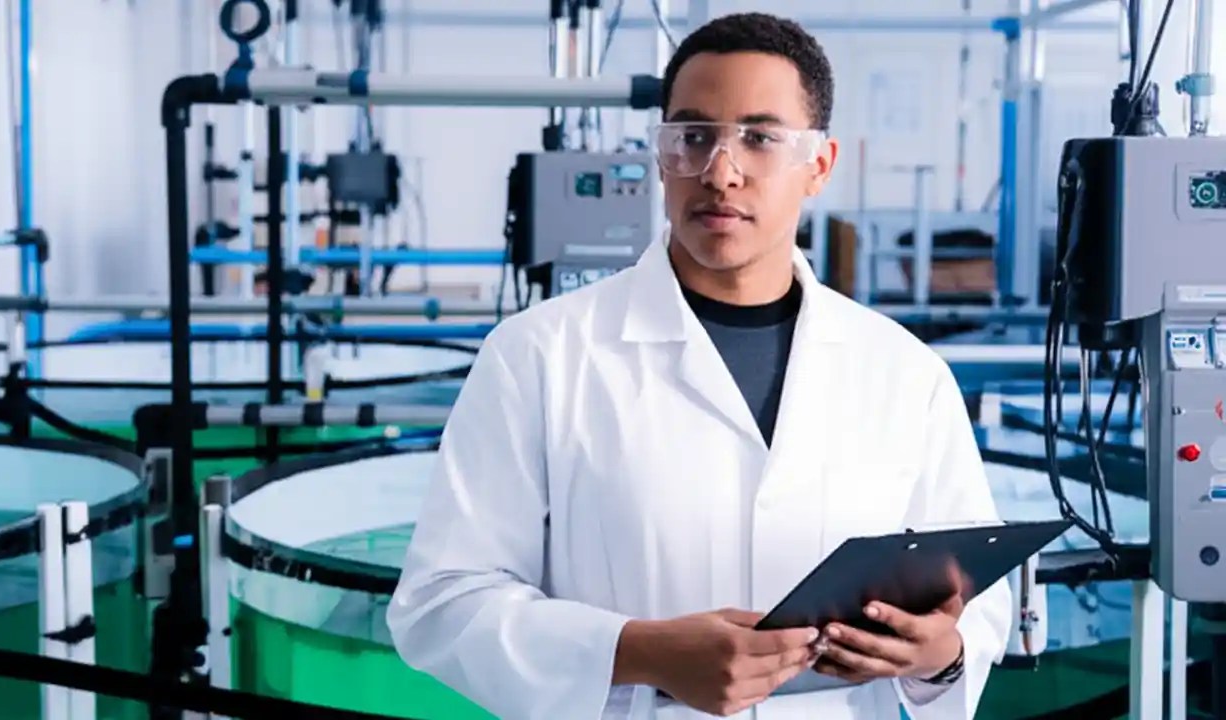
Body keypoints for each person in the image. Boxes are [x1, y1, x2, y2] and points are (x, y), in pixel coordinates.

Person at [387, 12, 1012, 720]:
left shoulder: (903, 372)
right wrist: (638, 651)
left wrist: (938, 655)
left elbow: (976, 607)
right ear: (660, 158)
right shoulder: (540, 355)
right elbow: (440, 603)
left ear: (820, 165)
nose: (721, 171)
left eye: (760, 137)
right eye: (692, 137)